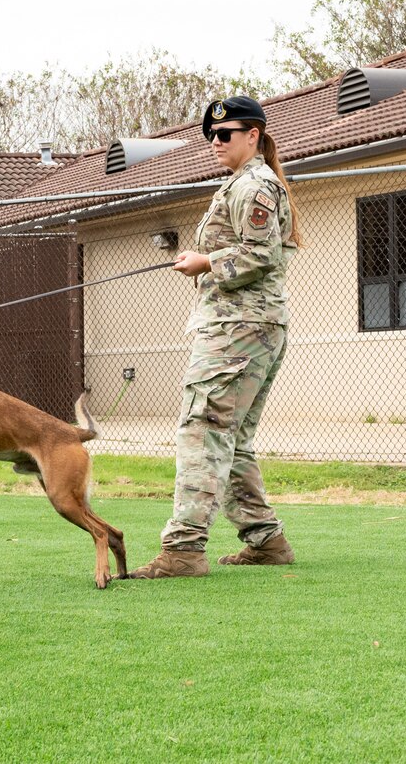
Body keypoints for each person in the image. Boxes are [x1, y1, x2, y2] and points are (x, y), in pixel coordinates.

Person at [129, 96, 302, 579]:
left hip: (239, 329)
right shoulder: (244, 183)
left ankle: (184, 549)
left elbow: (260, 255)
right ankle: (266, 541)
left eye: (225, 134)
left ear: (253, 136)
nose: (215, 142)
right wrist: (204, 261)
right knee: (233, 438)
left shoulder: (255, 185)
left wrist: (206, 261)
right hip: (249, 326)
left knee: (202, 431)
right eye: (211, 135)